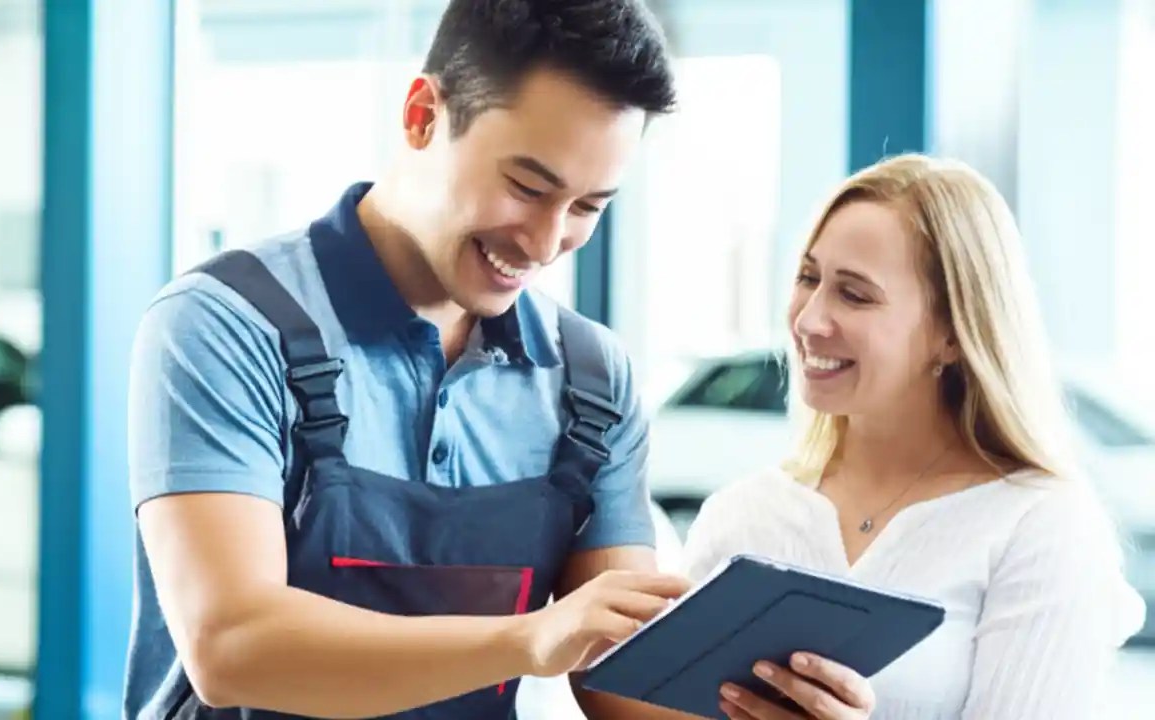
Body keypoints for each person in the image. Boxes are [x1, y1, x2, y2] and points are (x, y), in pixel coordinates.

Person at [122, 2, 714, 718]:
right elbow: (233, 646)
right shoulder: (226, 325)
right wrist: (525, 640)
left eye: (588, 206)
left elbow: (624, 682)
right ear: (422, 116)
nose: (545, 241)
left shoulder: (591, 380)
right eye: (527, 187)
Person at [683, 154, 1147, 720]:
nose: (808, 321)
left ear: (952, 335)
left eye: (854, 294)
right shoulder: (744, 514)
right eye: (809, 278)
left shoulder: (1039, 526)